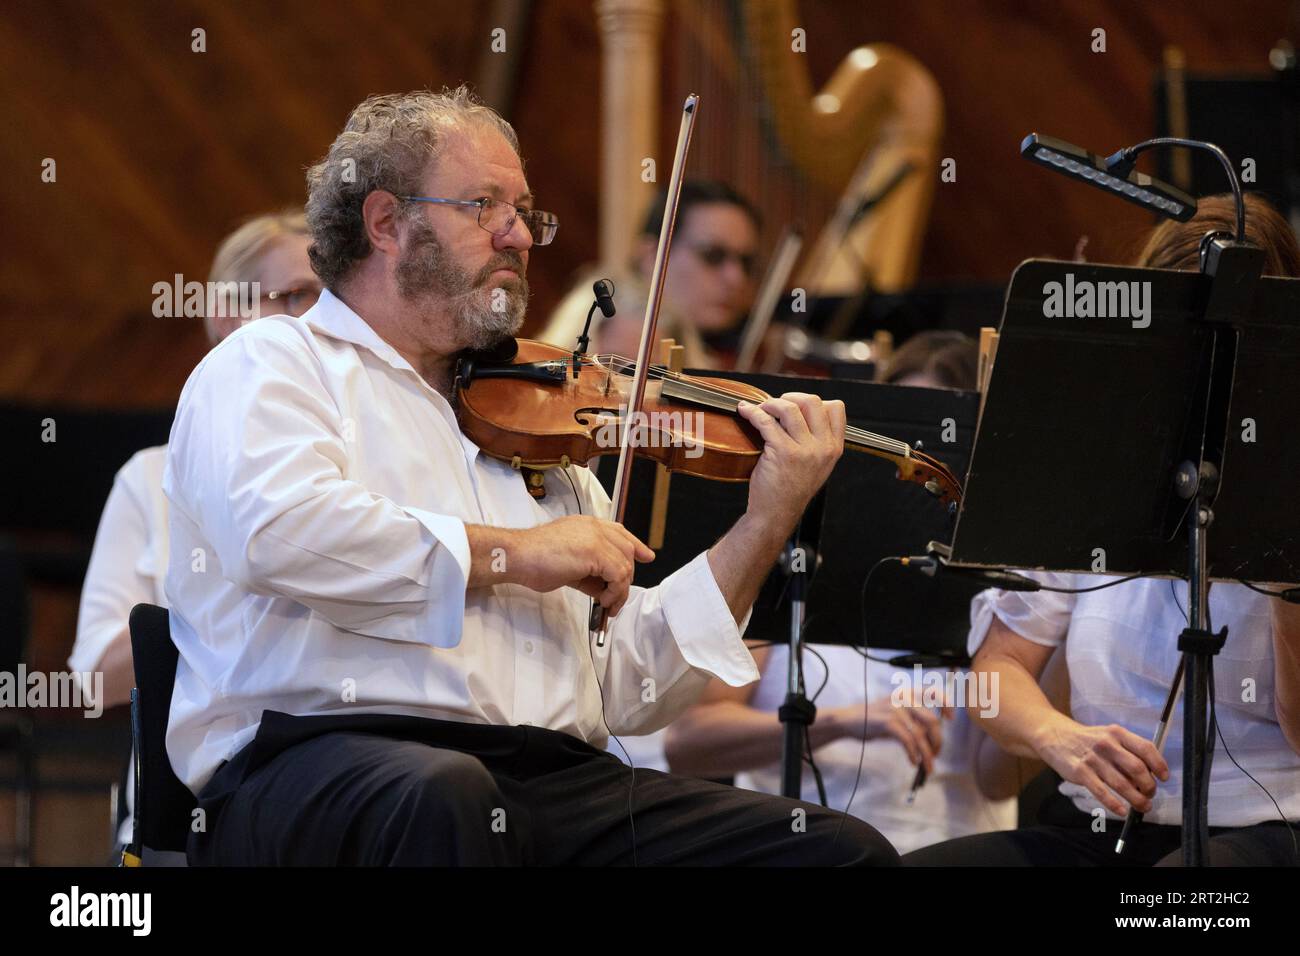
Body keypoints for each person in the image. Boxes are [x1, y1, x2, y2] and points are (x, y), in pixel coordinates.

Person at [165, 87, 898, 866]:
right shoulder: (272, 363)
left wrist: (765, 520)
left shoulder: (534, 415)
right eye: (484, 206)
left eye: (524, 211)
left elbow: (629, 685)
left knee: (837, 853)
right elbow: (279, 533)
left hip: (550, 781)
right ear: (385, 222)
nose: (518, 235)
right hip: (319, 767)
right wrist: (520, 552)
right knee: (448, 800)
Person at [904, 194, 1300, 866]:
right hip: (1098, 825)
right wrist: (1060, 738)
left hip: (1269, 826)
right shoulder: (1084, 461)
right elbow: (996, 675)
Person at [663, 332, 1036, 855]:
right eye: (898, 453)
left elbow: (1001, 781)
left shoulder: (998, 590)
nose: (913, 478)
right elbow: (687, 743)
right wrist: (844, 723)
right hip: (803, 855)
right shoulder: (804, 561)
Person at [68, 210, 318, 850]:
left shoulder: (361, 474)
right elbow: (92, 682)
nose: (318, 318)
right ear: (229, 316)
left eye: (331, 297)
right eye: (294, 295)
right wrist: (209, 594)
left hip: (336, 784)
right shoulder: (150, 477)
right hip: (199, 804)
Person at [540, 180, 761, 367]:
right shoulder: (610, 316)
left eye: (746, 262)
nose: (736, 278)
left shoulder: (740, 355)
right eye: (713, 255)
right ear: (652, 255)